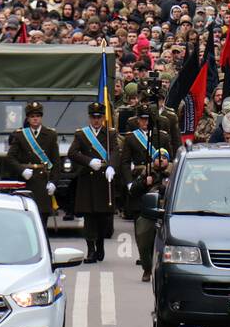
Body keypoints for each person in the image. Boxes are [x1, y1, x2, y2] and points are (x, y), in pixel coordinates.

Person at [67, 102, 121, 263]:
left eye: (99, 117)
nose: (96, 120)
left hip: (104, 179)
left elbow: (115, 151)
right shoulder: (81, 134)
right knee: (89, 217)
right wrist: (88, 161)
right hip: (88, 179)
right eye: (93, 117)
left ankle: (100, 243)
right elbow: (72, 153)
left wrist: (111, 166)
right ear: (89, 118)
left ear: (103, 118)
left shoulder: (110, 133)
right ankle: (90, 250)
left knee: (103, 217)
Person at [7, 101, 62, 228]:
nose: (35, 118)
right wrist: (21, 170)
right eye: (32, 116)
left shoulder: (50, 135)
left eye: (37, 116)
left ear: (41, 117)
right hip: (27, 181)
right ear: (28, 118)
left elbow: (56, 162)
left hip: (44, 183)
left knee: (42, 222)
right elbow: (10, 158)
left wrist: (54, 182)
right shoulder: (20, 135)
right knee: (26, 220)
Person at [128, 148, 171, 281]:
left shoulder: (174, 172)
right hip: (149, 212)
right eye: (158, 157)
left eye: (164, 158)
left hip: (168, 213)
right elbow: (133, 191)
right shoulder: (146, 171)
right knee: (143, 240)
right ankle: (147, 268)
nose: (161, 160)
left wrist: (167, 188)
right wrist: (144, 183)